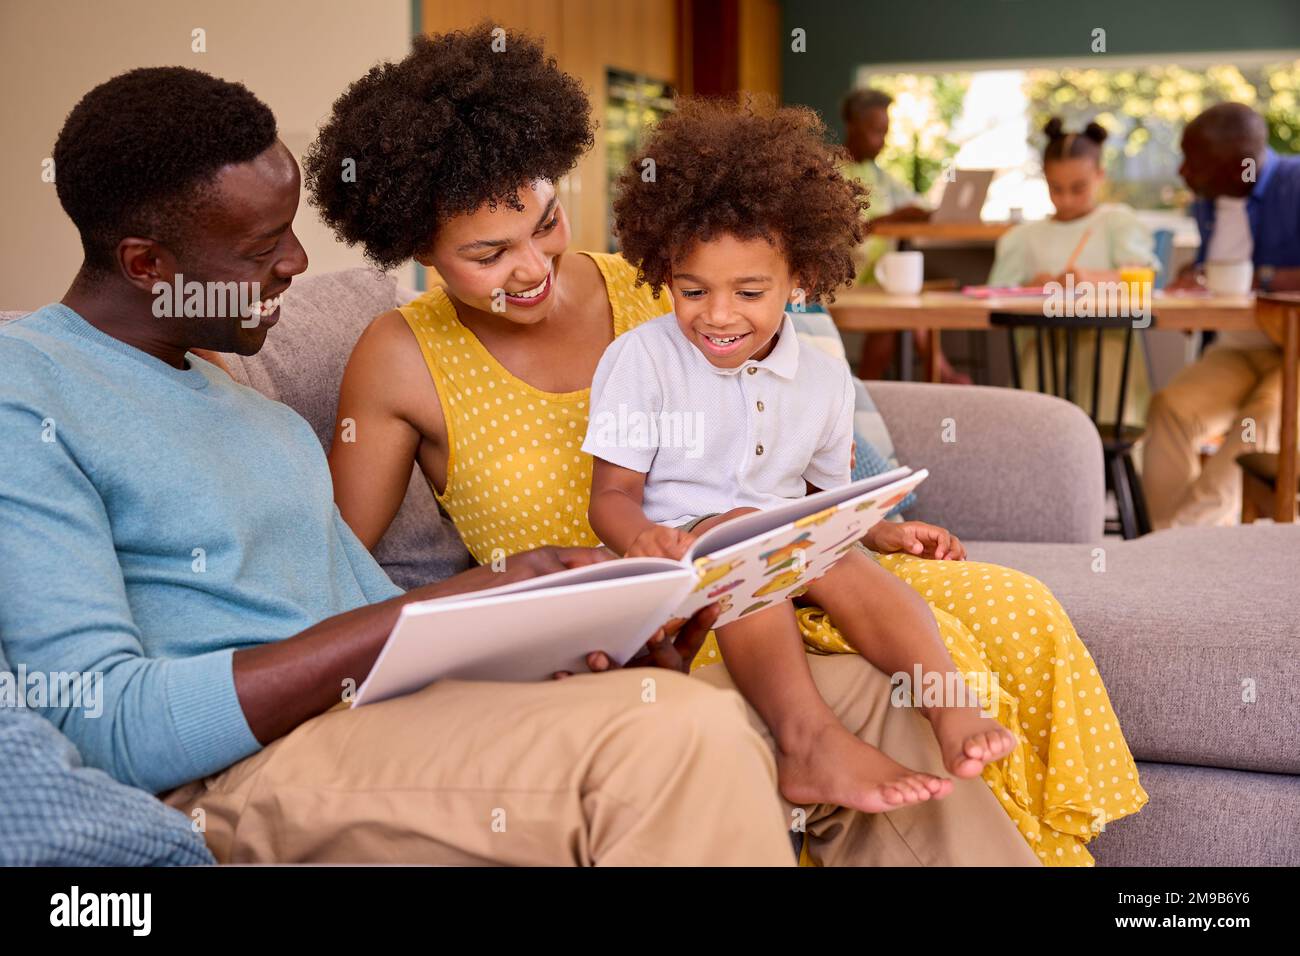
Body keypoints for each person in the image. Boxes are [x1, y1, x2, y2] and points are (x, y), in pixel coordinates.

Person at [320, 27, 1143, 865]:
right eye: (489, 254)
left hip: (772, 561)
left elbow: (777, 441)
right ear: (417, 246)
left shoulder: (658, 283)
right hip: (628, 630)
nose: (533, 268)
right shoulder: (398, 357)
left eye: (547, 223)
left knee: (1012, 608)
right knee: (870, 685)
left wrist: (870, 525)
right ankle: (822, 743)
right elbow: (332, 562)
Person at [0, 65, 799, 866]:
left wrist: (566, 648)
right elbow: (102, 719)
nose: (298, 262)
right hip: (244, 771)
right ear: (146, 266)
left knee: (667, 705)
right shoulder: (25, 391)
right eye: (261, 246)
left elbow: (369, 623)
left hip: (386, 730)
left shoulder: (260, 419)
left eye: (290, 229)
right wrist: (453, 600)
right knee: (675, 740)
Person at [585, 99, 1017, 816]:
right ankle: (807, 741)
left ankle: (949, 706)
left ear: (801, 281)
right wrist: (642, 538)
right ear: (665, 271)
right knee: (749, 534)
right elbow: (610, 497)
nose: (718, 315)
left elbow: (828, 501)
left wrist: (879, 530)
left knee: (844, 560)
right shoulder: (642, 360)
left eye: (749, 292)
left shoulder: (822, 378)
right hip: (679, 565)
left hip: (783, 547)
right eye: (693, 291)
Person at [1145, 102, 1300, 528]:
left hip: (1294, 352)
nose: (1183, 172)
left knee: (1264, 417)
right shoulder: (1207, 204)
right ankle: (1169, 539)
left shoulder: (1295, 183)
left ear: (1241, 166)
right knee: (1169, 409)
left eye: (1195, 162)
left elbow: (1246, 278)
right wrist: (1192, 278)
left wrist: (1262, 279)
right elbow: (1213, 274)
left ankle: (1185, 543)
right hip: (1235, 348)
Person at [988, 117, 1159, 424]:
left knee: (1105, 360)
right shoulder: (1023, 238)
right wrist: (1031, 286)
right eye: (1056, 188)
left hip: (1105, 347)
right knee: (1037, 371)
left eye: (1078, 188)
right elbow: (995, 296)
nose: (1066, 199)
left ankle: (1103, 453)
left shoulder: (1116, 223)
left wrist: (1089, 280)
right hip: (1043, 352)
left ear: (1100, 176)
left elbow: (1145, 279)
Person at [841, 88, 969, 385]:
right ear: (852, 126)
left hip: (882, 277)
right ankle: (938, 376)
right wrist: (892, 218)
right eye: (875, 131)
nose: (882, 141)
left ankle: (926, 378)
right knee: (899, 310)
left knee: (908, 303)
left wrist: (927, 211)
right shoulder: (830, 172)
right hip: (846, 277)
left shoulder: (881, 176)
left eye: (885, 132)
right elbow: (843, 232)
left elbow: (916, 205)